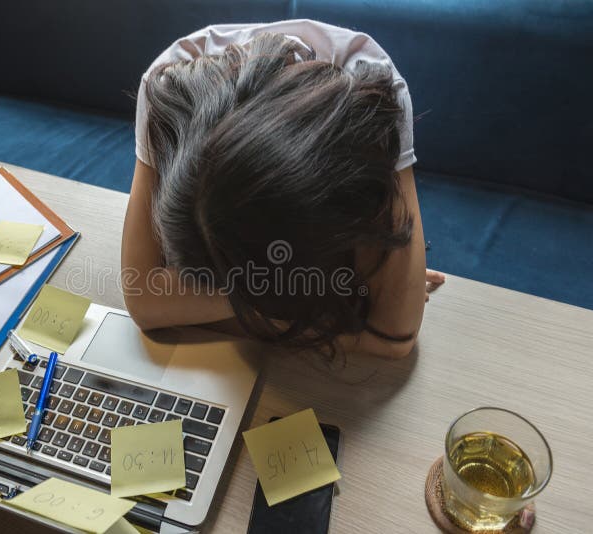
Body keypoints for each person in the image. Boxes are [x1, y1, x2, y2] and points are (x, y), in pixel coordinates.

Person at [121, 20, 445, 359]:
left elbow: (394, 336)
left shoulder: (371, 97)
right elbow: (145, 302)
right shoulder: (168, 90)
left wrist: (205, 302)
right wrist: (329, 298)